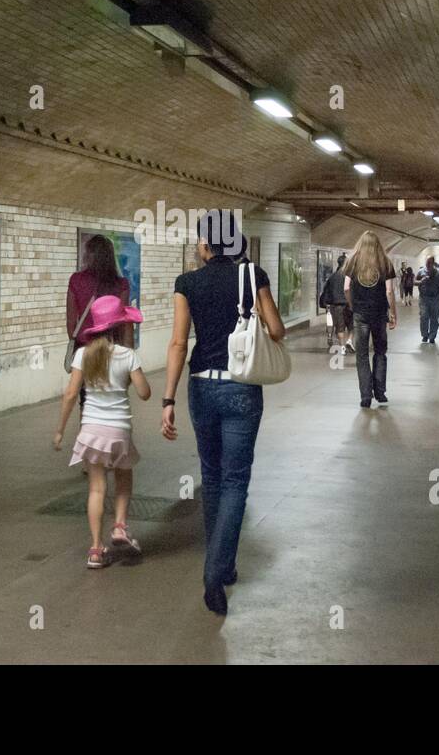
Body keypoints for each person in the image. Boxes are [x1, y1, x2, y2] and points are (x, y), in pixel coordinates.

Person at [161, 210, 286, 616]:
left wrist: (167, 400)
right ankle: (216, 572)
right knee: (235, 482)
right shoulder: (253, 276)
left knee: (212, 478)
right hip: (242, 388)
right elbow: (277, 329)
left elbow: (179, 343)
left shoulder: (188, 283)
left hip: (201, 386)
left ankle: (220, 564)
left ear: (205, 245)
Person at [53, 295, 150, 568]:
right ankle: (119, 526)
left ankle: (95, 549)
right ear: (119, 326)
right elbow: (144, 393)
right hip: (119, 431)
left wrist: (60, 430)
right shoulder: (128, 356)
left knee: (96, 488)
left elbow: (71, 393)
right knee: (123, 481)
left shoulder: (83, 355)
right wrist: (131, 369)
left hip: (90, 431)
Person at [343, 232, 397, 408]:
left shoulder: (353, 261)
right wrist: (393, 314)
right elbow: (389, 291)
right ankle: (380, 393)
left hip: (361, 314)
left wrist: (352, 305)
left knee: (362, 355)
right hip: (380, 313)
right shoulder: (385, 262)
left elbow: (346, 287)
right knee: (380, 352)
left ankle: (366, 396)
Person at [319, 252, 352, 354]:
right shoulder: (349, 276)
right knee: (352, 325)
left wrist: (326, 304)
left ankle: (342, 348)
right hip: (348, 305)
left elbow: (326, 291)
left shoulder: (332, 277)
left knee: (339, 327)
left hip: (336, 306)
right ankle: (350, 341)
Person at [415, 256, 439, 344]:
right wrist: (421, 282)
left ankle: (432, 336)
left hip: (435, 298)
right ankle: (424, 335)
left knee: (434, 318)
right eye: (426, 262)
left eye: (429, 262)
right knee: (424, 316)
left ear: (433, 263)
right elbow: (414, 281)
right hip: (424, 298)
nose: (427, 264)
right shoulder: (421, 272)